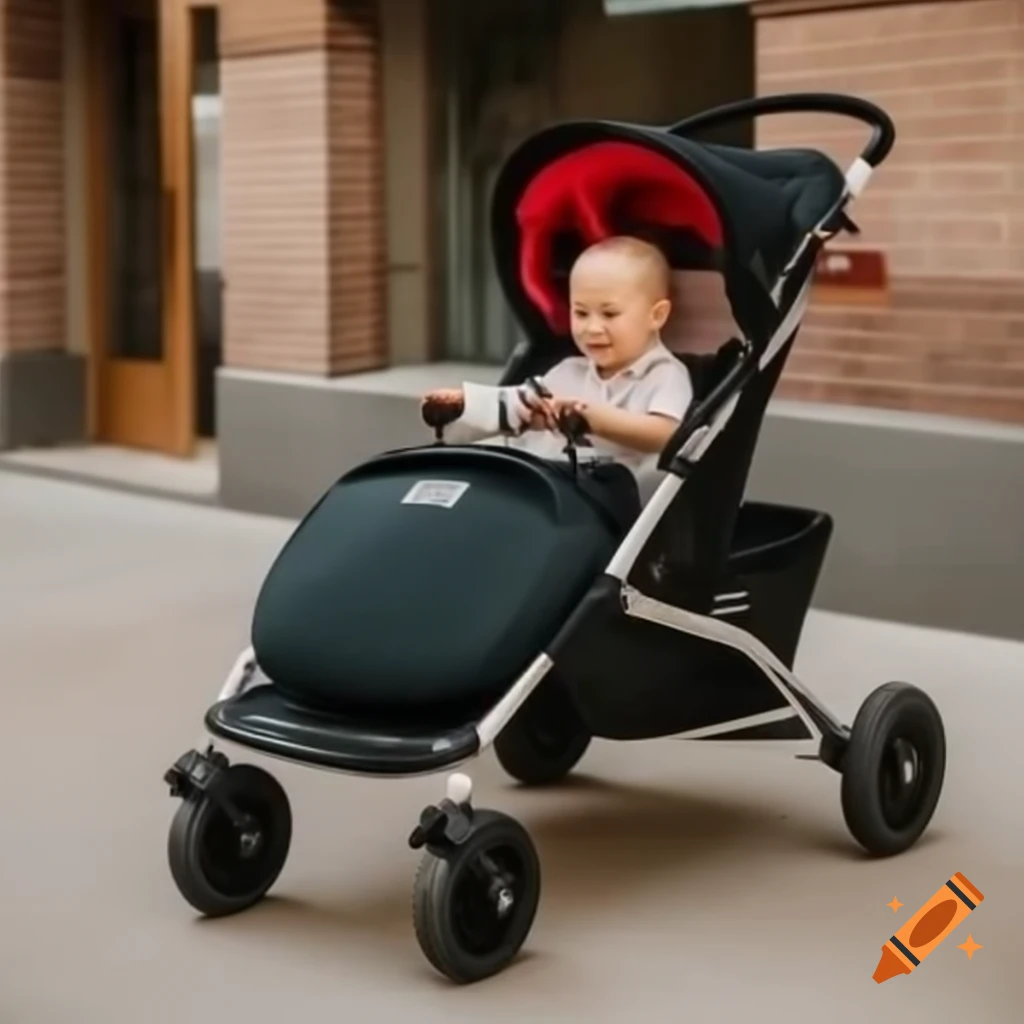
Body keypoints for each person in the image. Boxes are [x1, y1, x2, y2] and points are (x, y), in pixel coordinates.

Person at [423, 235, 693, 506]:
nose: (592, 328)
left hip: (593, 501)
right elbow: (521, 406)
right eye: (581, 313)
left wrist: (591, 419)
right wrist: (464, 405)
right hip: (531, 482)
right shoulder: (567, 372)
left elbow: (666, 434)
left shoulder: (664, 374)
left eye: (609, 314)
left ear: (656, 315)